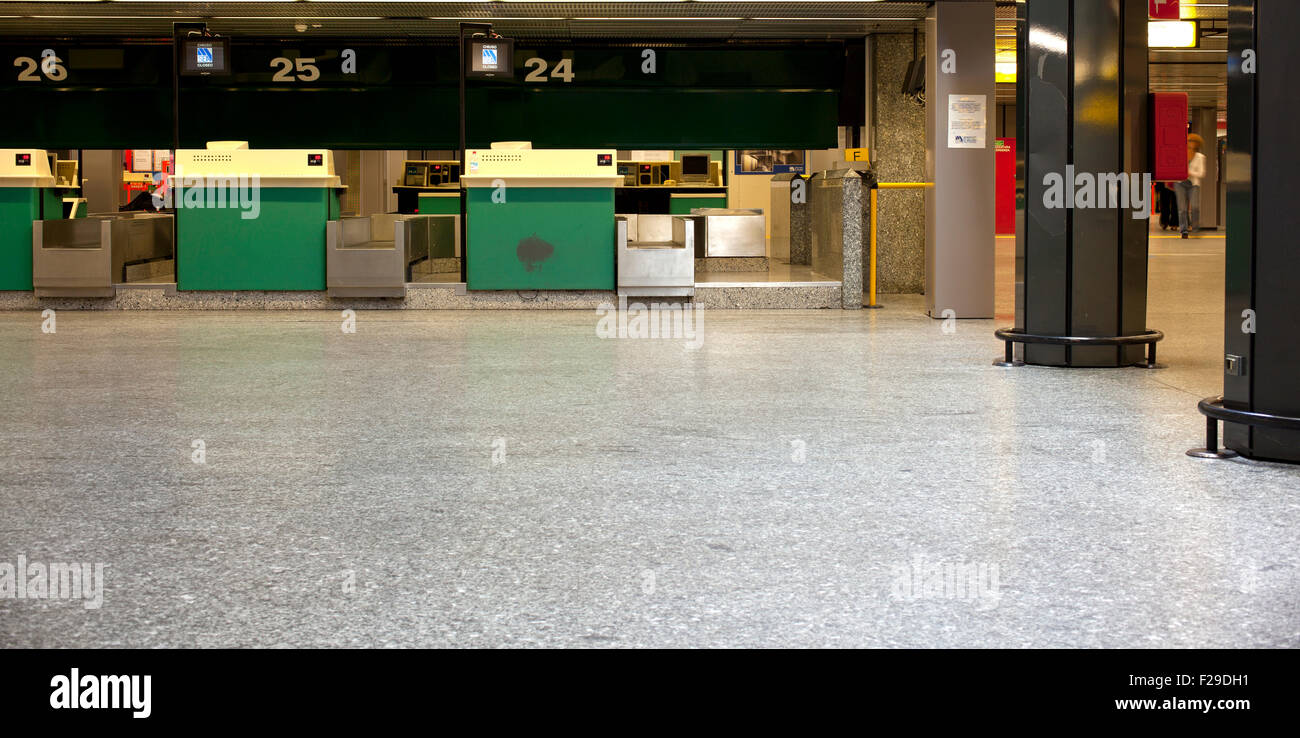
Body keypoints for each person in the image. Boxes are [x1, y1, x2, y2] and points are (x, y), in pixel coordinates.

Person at [1174, 133, 1206, 239]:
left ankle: (1195, 228)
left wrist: (1190, 173)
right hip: (1180, 183)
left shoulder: (1200, 157)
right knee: (1182, 209)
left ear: (1197, 144)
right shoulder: (1180, 154)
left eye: (1193, 141)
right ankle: (1184, 231)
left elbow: (1201, 173)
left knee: (1195, 207)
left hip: (1193, 184)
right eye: (1189, 141)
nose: (1190, 143)